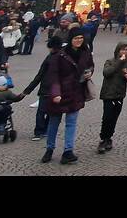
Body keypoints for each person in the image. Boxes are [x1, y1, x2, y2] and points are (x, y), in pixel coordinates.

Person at [40, 29, 94, 165]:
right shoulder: (60, 54)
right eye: (76, 38)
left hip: (76, 91)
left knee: (71, 122)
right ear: (70, 39)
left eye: (81, 38)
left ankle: (67, 151)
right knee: (54, 122)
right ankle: (49, 148)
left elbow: (90, 65)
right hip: (60, 92)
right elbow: (53, 74)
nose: (79, 40)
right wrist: (56, 92)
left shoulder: (85, 52)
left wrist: (90, 72)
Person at [97, 41, 127, 153]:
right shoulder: (110, 61)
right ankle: (103, 138)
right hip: (108, 93)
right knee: (107, 117)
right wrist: (119, 62)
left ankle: (109, 137)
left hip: (119, 93)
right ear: (118, 49)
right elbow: (107, 73)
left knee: (114, 117)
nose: (124, 52)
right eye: (122, 49)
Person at [22, 35, 62, 140]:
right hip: (57, 89)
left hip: (46, 88)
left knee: (41, 112)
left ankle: (39, 131)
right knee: (51, 112)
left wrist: (27, 90)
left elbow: (39, 75)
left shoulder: (50, 58)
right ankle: (46, 130)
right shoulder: (63, 57)